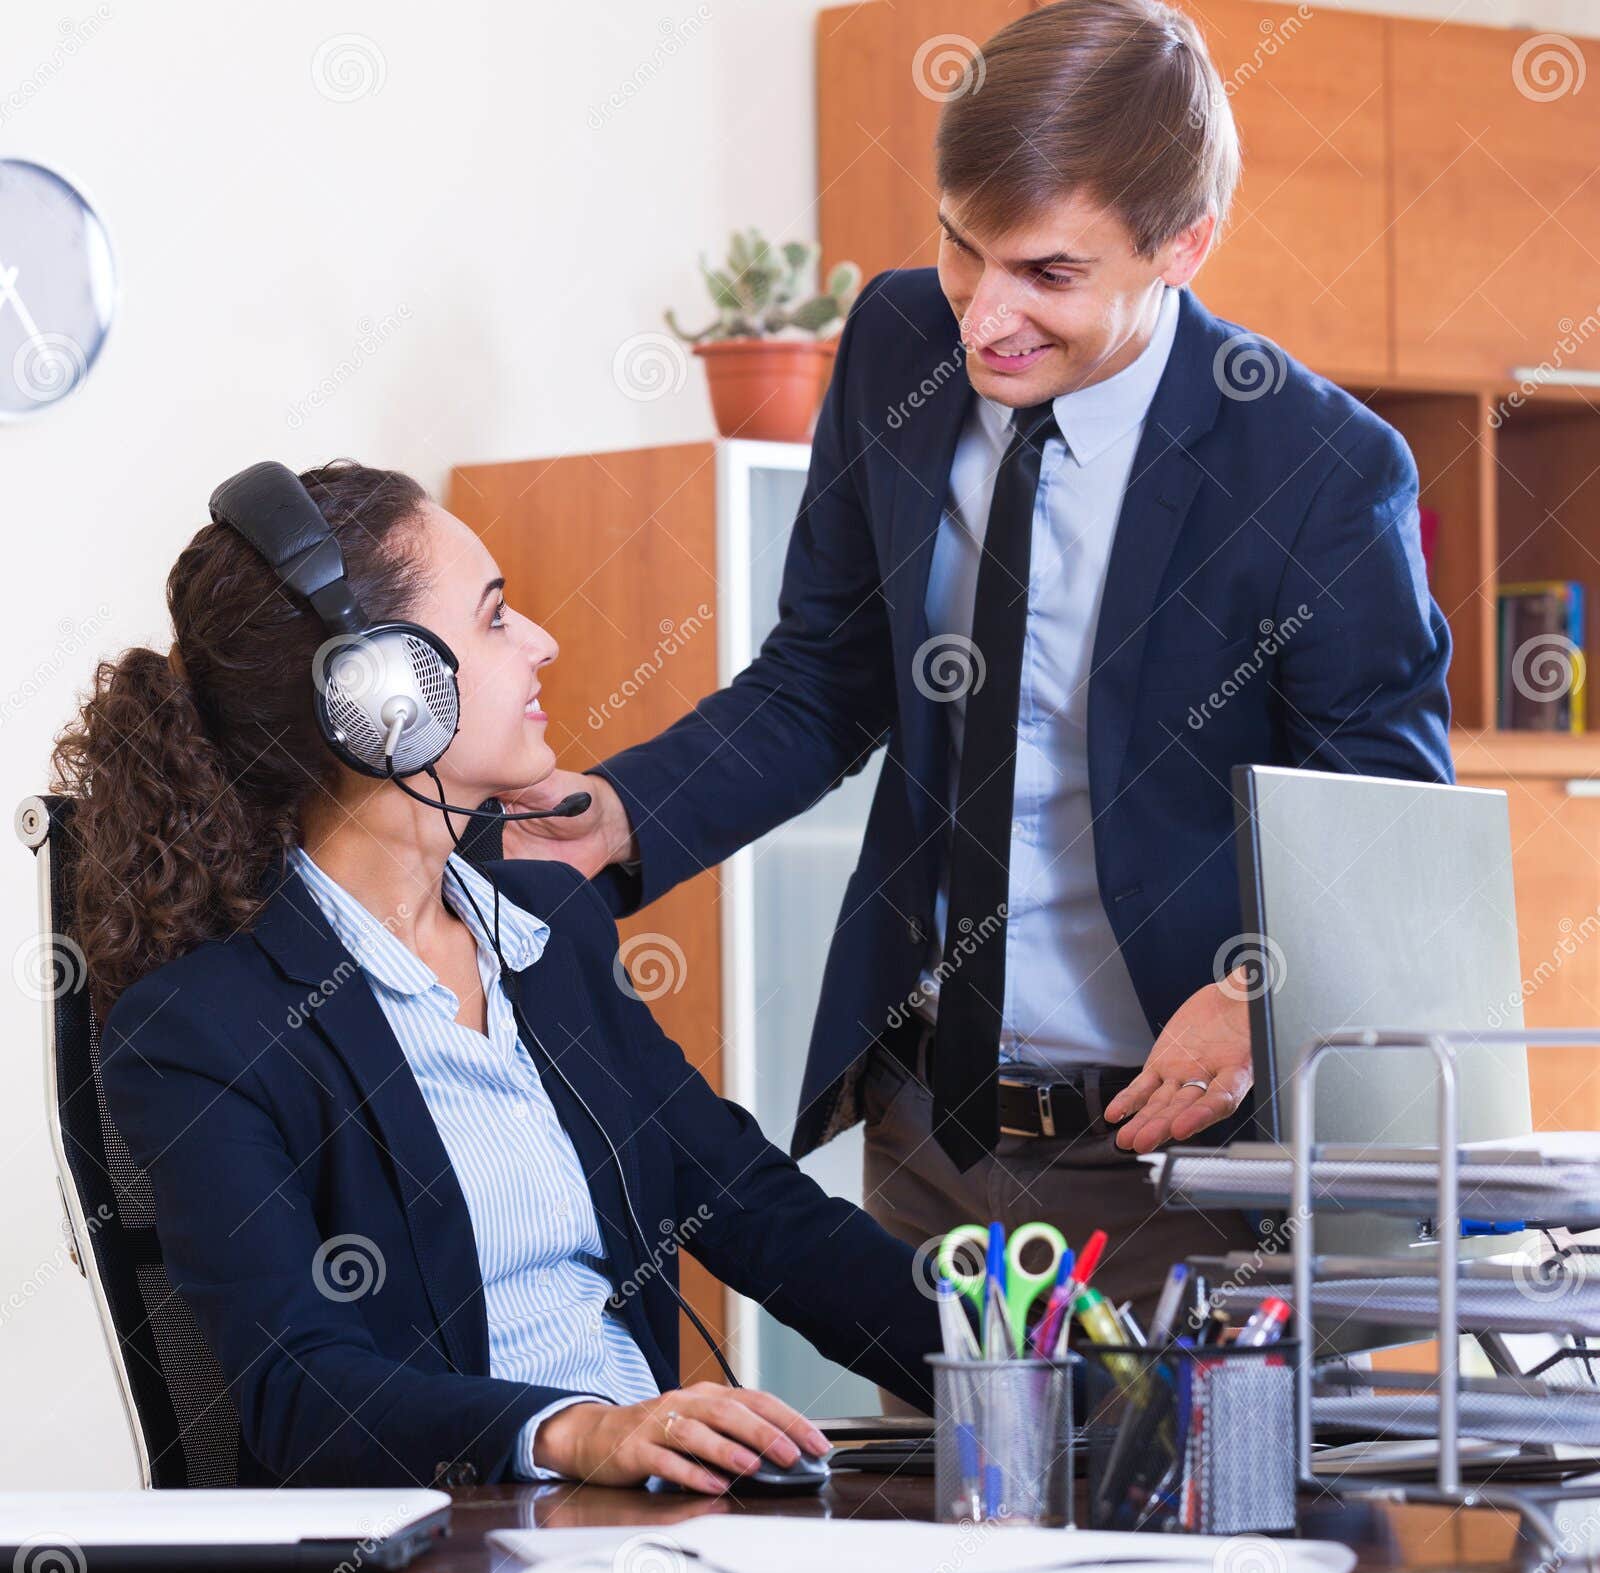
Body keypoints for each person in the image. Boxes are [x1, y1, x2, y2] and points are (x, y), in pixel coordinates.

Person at [493, 0, 1454, 1372]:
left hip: (1199, 1173)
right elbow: (827, 675)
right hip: (937, 1137)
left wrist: (1260, 987)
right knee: (953, 1555)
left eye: (1048, 273)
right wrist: (624, 815)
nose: (986, 317)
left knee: (1173, 1566)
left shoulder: (1314, 469)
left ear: (1183, 247)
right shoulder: (898, 339)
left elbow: (1392, 807)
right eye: (961, 245)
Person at [62, 459, 941, 1491]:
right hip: (459, 1556)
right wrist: (576, 1431)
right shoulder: (209, 1026)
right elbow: (299, 1389)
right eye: (494, 618)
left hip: (648, 1530)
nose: (542, 643)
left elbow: (755, 1207)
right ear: (377, 693)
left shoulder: (548, 934)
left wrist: (1045, 1372)